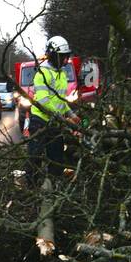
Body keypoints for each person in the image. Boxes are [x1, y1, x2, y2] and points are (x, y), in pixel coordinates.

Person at [26, 35, 80, 182]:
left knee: (57, 157)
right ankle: (32, 187)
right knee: (34, 156)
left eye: (66, 57)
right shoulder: (42, 73)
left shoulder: (62, 74)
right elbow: (44, 101)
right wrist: (62, 118)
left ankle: (54, 185)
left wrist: (71, 114)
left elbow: (60, 100)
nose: (65, 60)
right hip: (40, 121)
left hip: (56, 122)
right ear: (53, 55)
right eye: (62, 57)